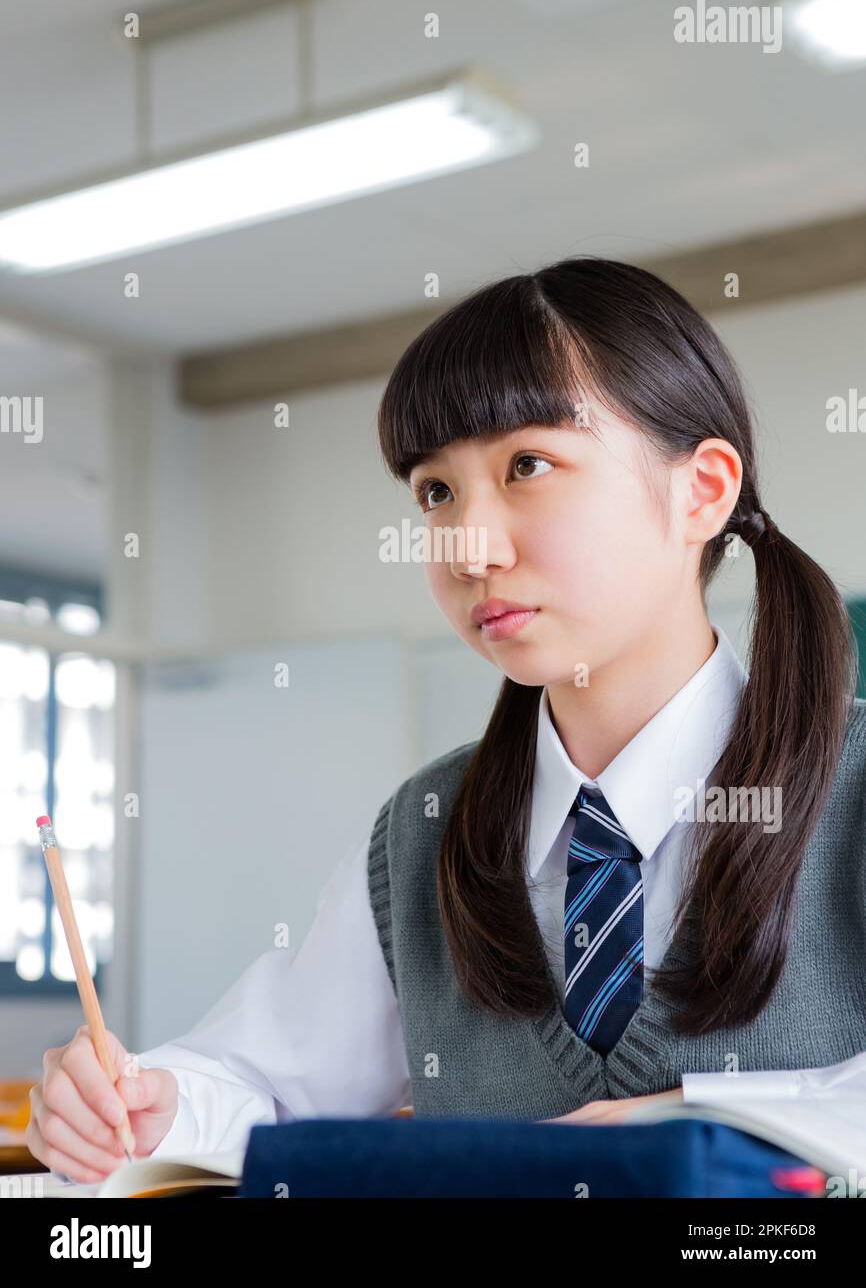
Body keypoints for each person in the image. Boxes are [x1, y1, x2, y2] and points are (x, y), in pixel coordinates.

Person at [26, 257, 865, 1184]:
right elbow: (267, 1082)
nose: (471, 546)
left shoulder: (854, 782)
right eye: (436, 492)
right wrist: (147, 1104)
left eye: (529, 465)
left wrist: (696, 1116)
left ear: (700, 491)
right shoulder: (426, 832)